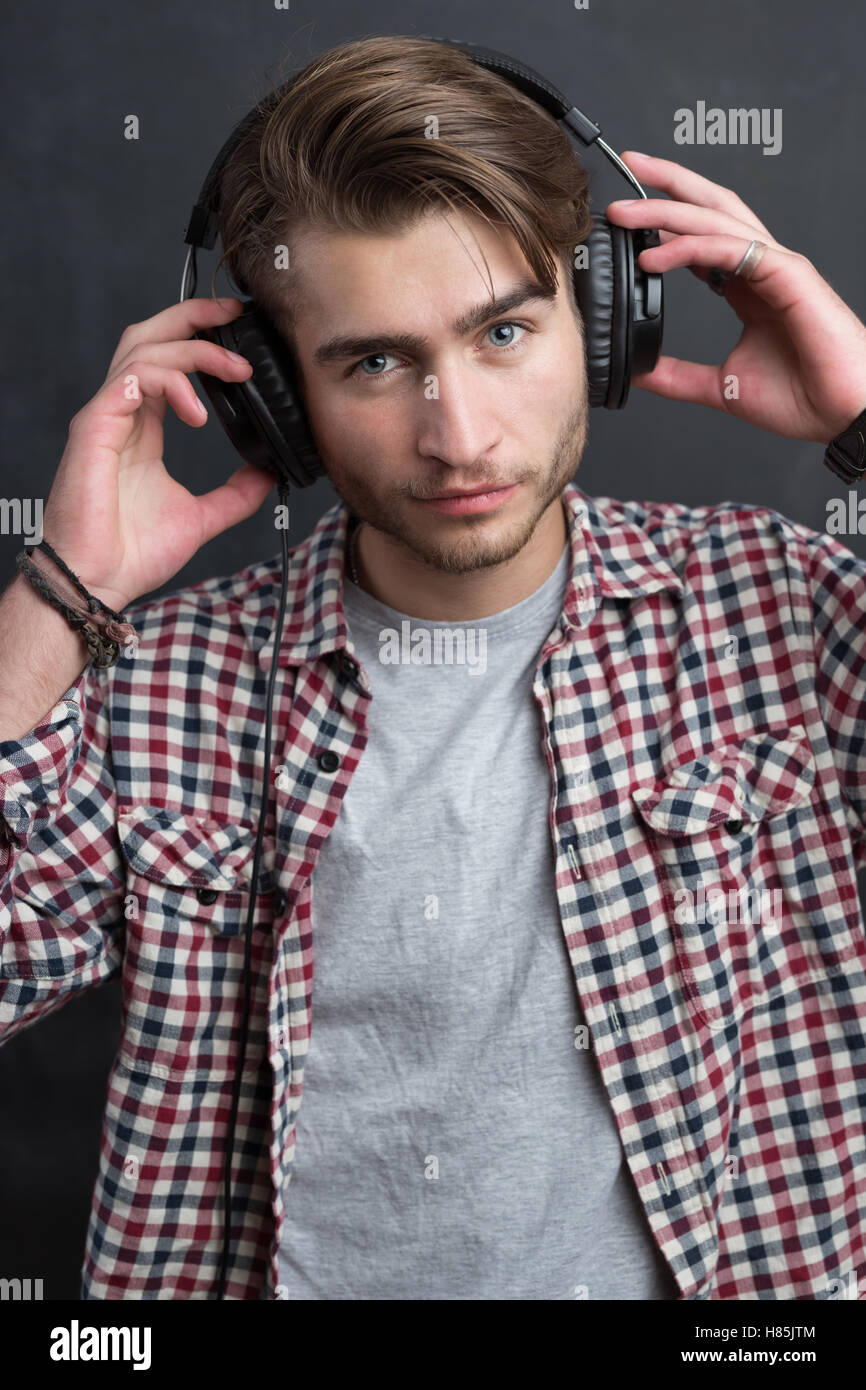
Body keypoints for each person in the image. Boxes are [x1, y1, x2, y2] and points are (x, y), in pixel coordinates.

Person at [1, 34, 865, 1303]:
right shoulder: (165, 686)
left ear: (607, 317)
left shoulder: (782, 611)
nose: (458, 436)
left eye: (504, 330)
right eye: (371, 361)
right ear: (276, 399)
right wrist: (57, 600)